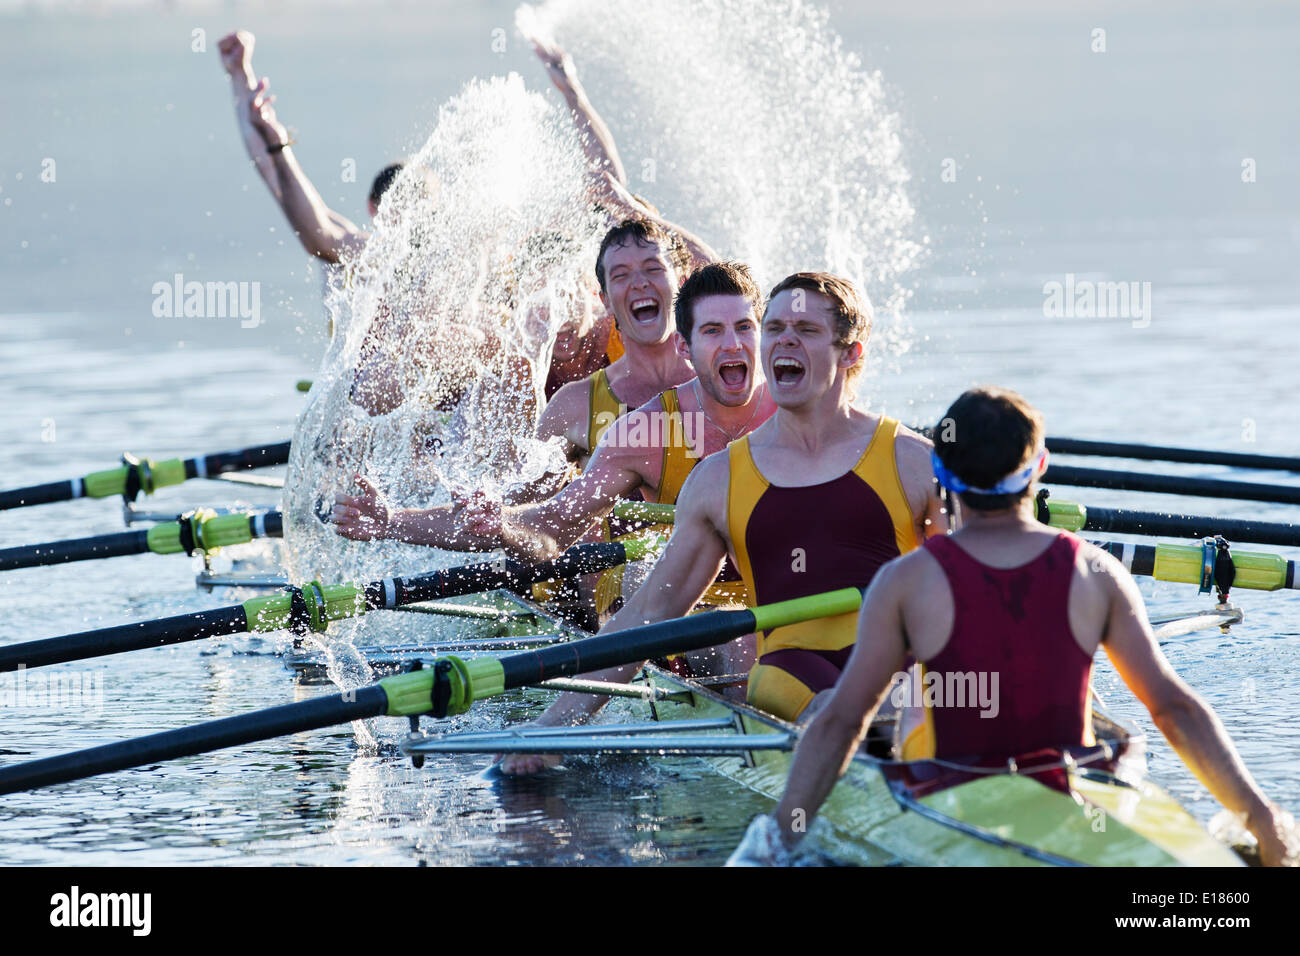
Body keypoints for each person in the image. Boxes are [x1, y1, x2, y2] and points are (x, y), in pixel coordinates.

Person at [738, 385, 1297, 867]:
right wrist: (1260, 815)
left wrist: (779, 841)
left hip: (948, 790)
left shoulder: (905, 582)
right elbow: (1174, 710)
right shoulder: (1096, 571)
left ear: (940, 474)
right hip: (1077, 788)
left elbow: (840, 722)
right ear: (1040, 467)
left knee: (907, 708)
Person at [493, 271, 947, 774]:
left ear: (852, 353)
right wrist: (552, 729)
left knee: (933, 699)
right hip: (792, 673)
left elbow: (967, 595)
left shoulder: (915, 461)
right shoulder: (719, 480)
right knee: (878, 714)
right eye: (774, 328)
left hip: (898, 671)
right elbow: (651, 611)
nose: (783, 341)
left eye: (805, 330)